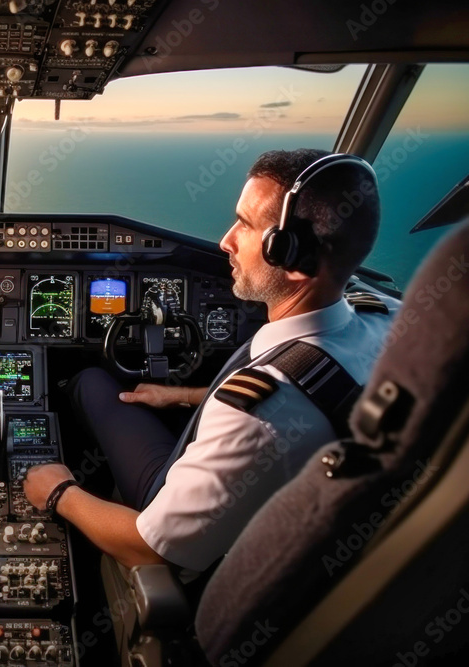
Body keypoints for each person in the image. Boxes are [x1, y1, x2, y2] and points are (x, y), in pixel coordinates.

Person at [25, 149, 395, 574]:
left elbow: (149, 547)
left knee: (90, 380)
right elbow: (315, 381)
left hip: (174, 515)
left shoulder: (256, 417)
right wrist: (183, 394)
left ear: (291, 256)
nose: (226, 241)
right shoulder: (386, 315)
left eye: (246, 224)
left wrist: (60, 491)